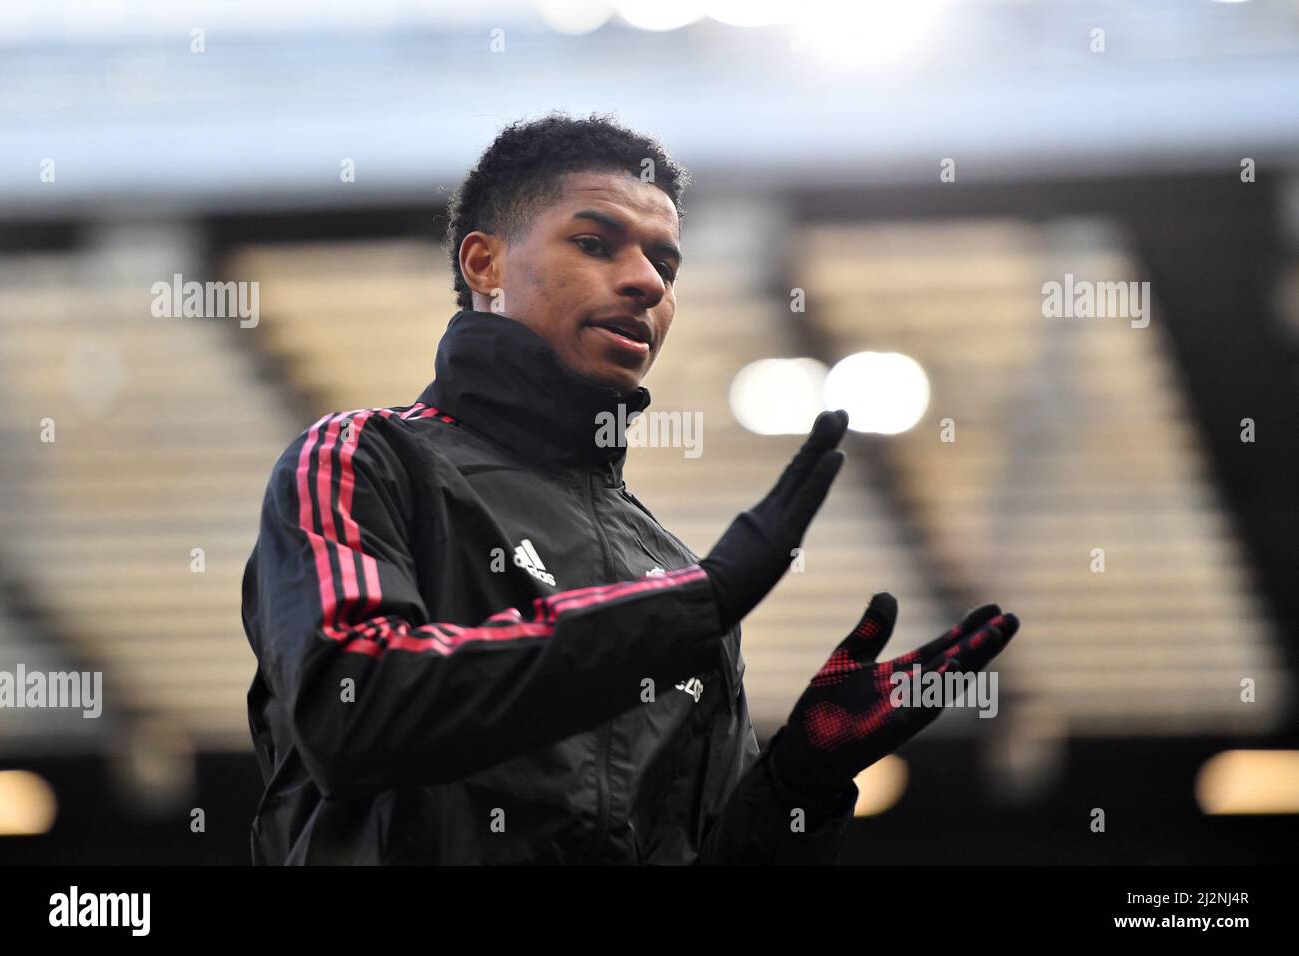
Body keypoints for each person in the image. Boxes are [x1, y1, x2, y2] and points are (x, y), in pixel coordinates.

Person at [240, 111, 1020, 864]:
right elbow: (356, 705)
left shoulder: (675, 577)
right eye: (595, 242)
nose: (647, 282)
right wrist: (690, 608)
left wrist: (801, 781)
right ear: (485, 264)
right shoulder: (362, 459)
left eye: (667, 264)